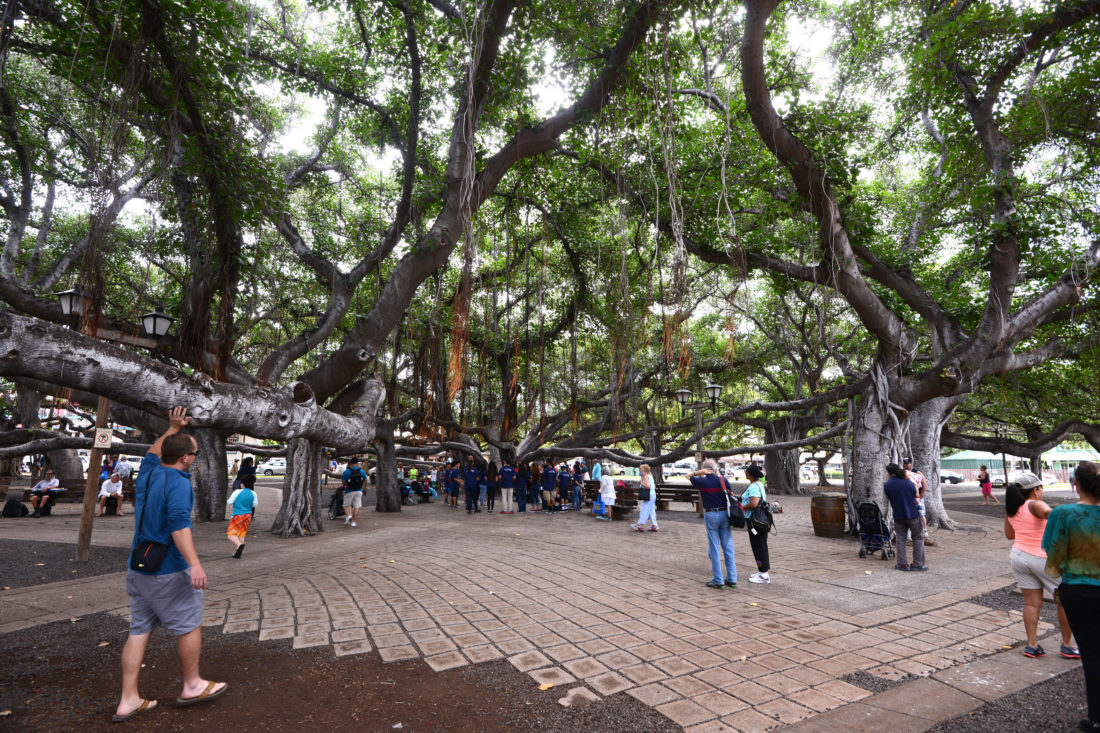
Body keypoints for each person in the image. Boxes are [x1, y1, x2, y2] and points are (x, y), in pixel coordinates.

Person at [114, 406, 227, 723]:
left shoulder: (149, 473)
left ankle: (128, 699)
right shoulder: (178, 483)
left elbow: (153, 451)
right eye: (194, 452)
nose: (194, 456)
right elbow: (179, 526)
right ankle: (192, 684)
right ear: (186, 459)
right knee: (189, 625)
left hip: (138, 566)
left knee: (138, 631)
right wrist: (195, 565)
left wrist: (172, 427)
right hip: (168, 569)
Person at [1043, 461, 1100, 733]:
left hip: (1079, 591)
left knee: (1092, 654)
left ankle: (1096, 717)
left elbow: (1053, 558)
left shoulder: (1063, 514)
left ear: (1075, 482)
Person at [1004, 472, 1076, 659]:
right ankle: (1067, 645)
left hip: (1019, 557)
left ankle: (1032, 645)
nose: (1042, 491)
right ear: (1035, 490)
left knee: (1031, 603)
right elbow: (1049, 513)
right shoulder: (1035, 504)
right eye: (1041, 488)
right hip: (1043, 558)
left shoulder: (1012, 508)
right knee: (1065, 600)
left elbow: (1010, 535)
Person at [689, 459, 737, 589]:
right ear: (716, 469)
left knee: (714, 547)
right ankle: (732, 578)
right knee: (728, 546)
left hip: (711, 515)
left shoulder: (702, 481)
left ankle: (718, 579)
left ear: (705, 470)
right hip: (725, 515)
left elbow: (687, 476)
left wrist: (699, 472)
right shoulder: (723, 480)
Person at [884, 462, 927, 571]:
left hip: (898, 515)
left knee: (900, 539)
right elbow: (916, 494)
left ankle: (902, 564)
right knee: (917, 538)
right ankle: (918, 564)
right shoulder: (908, 482)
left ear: (889, 473)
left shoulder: (887, 485)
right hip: (913, 514)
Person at [742, 464, 772, 583]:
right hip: (760, 520)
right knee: (761, 545)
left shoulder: (754, 486)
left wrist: (742, 507)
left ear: (749, 474)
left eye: (746, 471)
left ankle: (763, 574)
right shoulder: (759, 484)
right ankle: (762, 571)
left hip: (755, 521)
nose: (745, 473)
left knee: (758, 546)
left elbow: (754, 503)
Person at [226, 474, 257, 558]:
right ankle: (238, 553)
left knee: (231, 534)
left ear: (242, 484)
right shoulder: (253, 493)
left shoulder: (237, 492)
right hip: (248, 516)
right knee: (241, 534)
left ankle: (239, 545)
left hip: (238, 515)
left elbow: (229, 502)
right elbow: (255, 504)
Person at [632, 464, 659, 532]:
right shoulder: (650, 476)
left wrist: (642, 483)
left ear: (645, 471)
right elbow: (653, 486)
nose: (640, 471)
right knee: (651, 510)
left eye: (641, 470)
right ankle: (654, 525)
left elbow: (648, 486)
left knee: (644, 509)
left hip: (648, 495)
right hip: (652, 494)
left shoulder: (645, 476)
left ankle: (640, 525)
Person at [341, 458, 367, 527]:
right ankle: (353, 522)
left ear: (350, 463)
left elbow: (343, 481)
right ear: (357, 463)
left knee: (346, 505)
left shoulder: (347, 471)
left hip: (349, 490)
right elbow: (366, 479)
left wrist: (345, 486)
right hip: (359, 490)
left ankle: (349, 516)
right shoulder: (361, 471)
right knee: (357, 506)